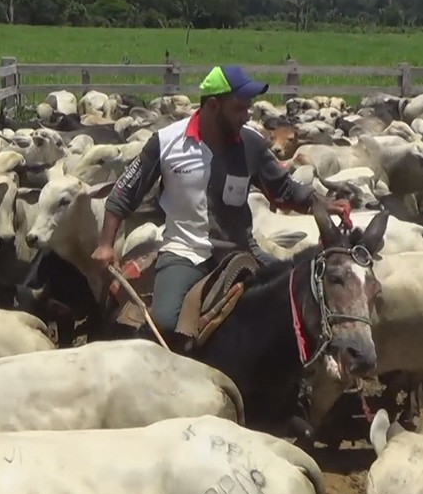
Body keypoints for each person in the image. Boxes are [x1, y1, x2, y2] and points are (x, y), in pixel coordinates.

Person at [91, 64, 350, 346]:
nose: (246, 116)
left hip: (240, 250)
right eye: (239, 109)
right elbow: (124, 191)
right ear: (214, 106)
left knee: (296, 296)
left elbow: (283, 188)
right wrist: (106, 244)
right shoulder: (166, 142)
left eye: (248, 108)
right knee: (165, 322)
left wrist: (320, 202)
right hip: (185, 250)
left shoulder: (250, 144)